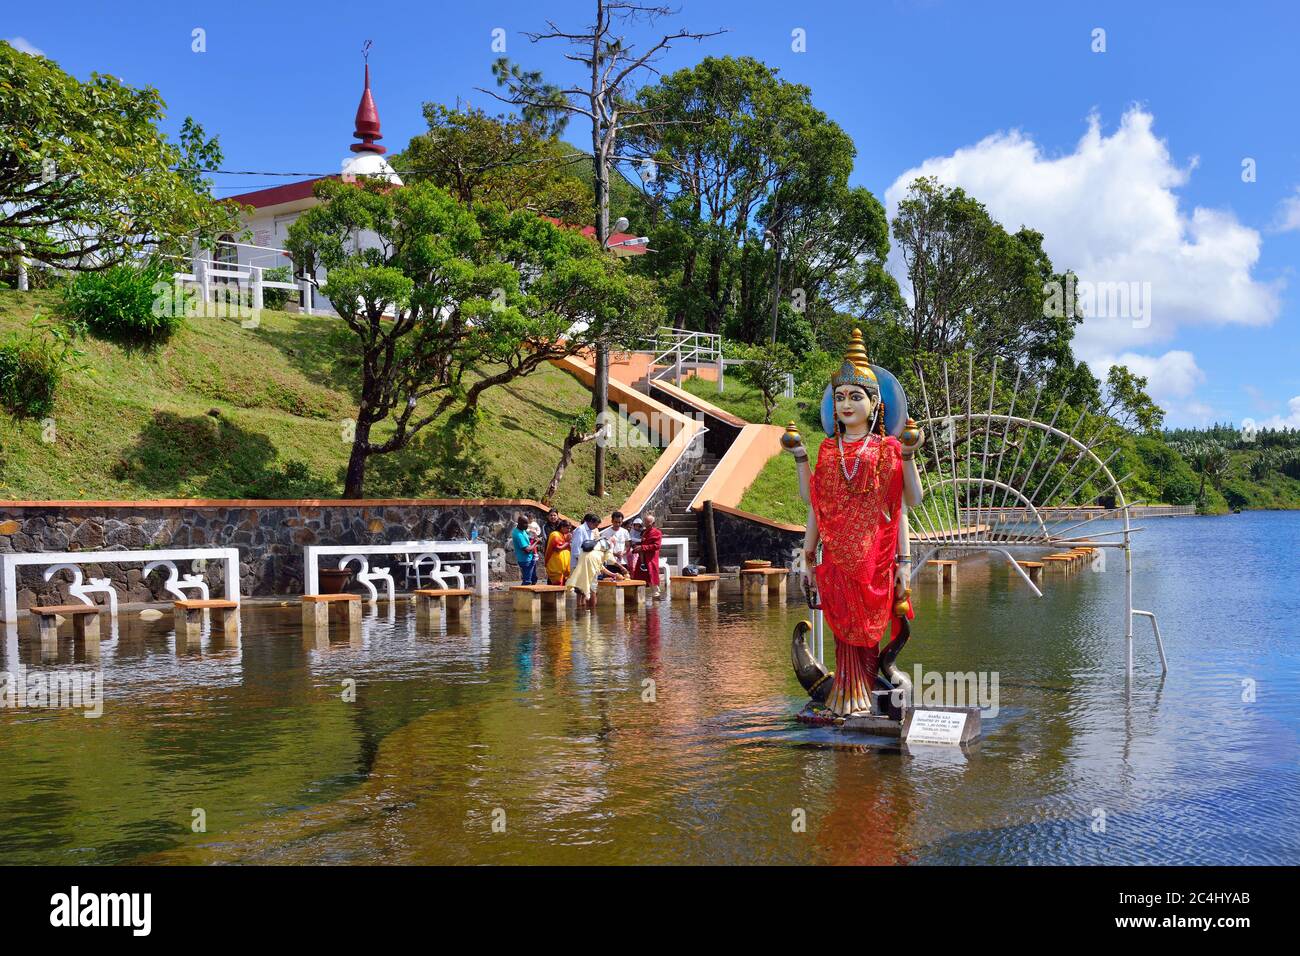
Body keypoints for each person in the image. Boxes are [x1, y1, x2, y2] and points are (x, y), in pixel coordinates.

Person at [783, 328, 924, 717]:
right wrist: (808, 554)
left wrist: (904, 562)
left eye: (855, 396)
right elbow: (815, 502)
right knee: (841, 627)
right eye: (840, 397)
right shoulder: (829, 449)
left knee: (866, 630)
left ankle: (863, 694)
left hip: (874, 558)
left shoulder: (887, 449)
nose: (846, 404)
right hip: (837, 557)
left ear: (875, 403)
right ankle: (846, 696)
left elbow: (906, 504)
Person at [568, 537, 611, 608]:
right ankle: (593, 612)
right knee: (593, 592)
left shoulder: (585, 550)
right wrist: (613, 574)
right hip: (590, 573)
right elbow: (601, 567)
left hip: (579, 571)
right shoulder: (598, 553)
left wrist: (612, 574)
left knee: (580, 593)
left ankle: (579, 611)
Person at [632, 512, 663, 598]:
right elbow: (641, 542)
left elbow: (657, 546)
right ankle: (638, 595)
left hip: (650, 558)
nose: (645, 524)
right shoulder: (644, 532)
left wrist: (643, 547)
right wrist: (637, 547)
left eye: (647, 523)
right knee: (639, 574)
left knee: (651, 573)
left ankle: (656, 594)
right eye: (644, 522)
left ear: (653, 523)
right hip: (642, 557)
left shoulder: (657, 532)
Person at [511, 515, 538, 585]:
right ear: (519, 523)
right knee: (527, 581)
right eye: (525, 523)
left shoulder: (522, 530)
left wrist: (532, 540)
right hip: (526, 560)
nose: (527, 525)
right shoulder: (518, 534)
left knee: (533, 579)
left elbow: (526, 541)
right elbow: (527, 550)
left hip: (529, 558)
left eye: (527, 523)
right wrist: (536, 542)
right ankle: (524, 595)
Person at [544, 519, 572, 585]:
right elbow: (558, 548)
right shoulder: (555, 534)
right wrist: (567, 542)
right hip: (555, 567)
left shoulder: (564, 535)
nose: (569, 530)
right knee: (556, 587)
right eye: (568, 528)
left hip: (563, 569)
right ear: (562, 527)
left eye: (570, 528)